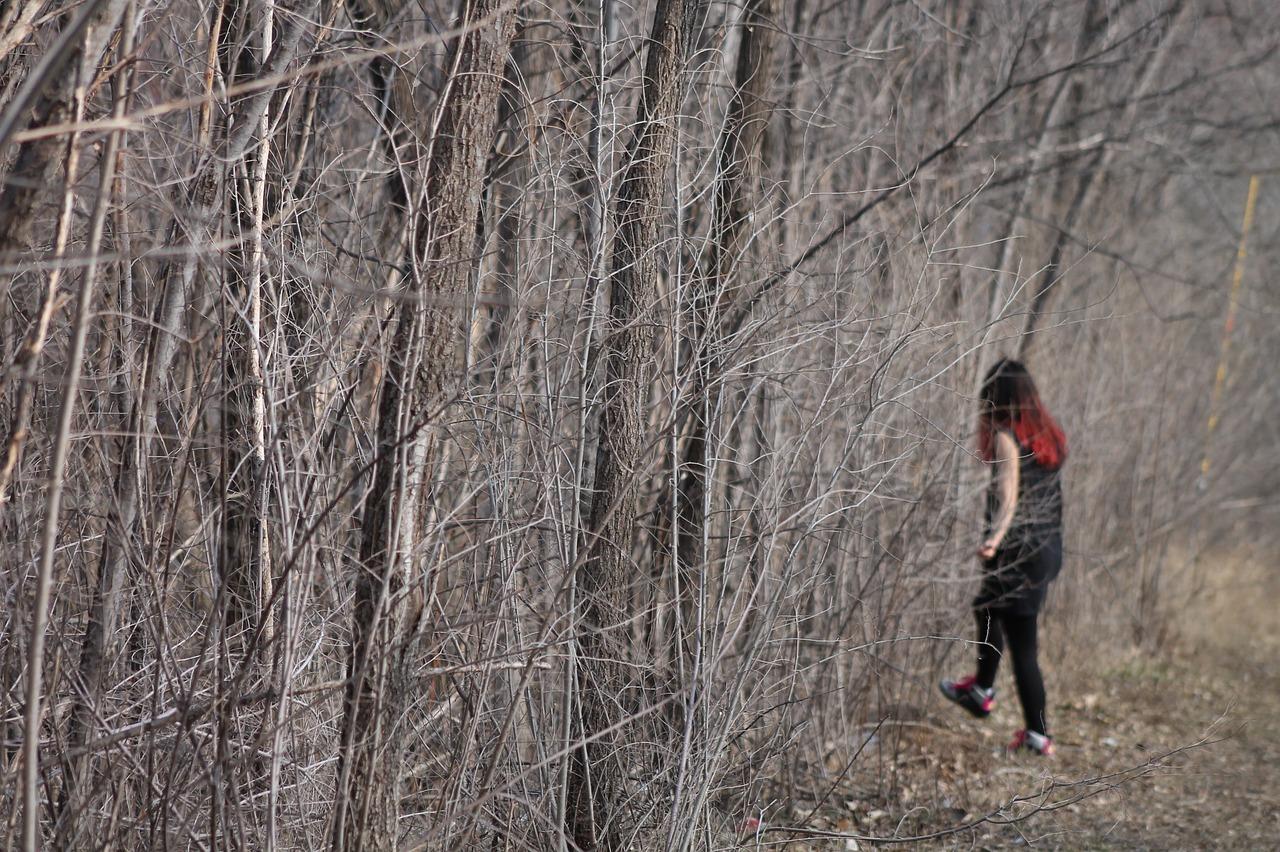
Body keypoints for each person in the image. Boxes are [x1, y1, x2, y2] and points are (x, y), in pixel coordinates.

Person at [940, 358, 1066, 756]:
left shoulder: (1008, 437)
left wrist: (993, 540)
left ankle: (982, 691)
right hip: (1046, 549)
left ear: (997, 398)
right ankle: (1036, 735)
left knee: (990, 610)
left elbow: (1009, 497)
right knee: (1016, 637)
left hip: (1018, 551)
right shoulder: (1047, 436)